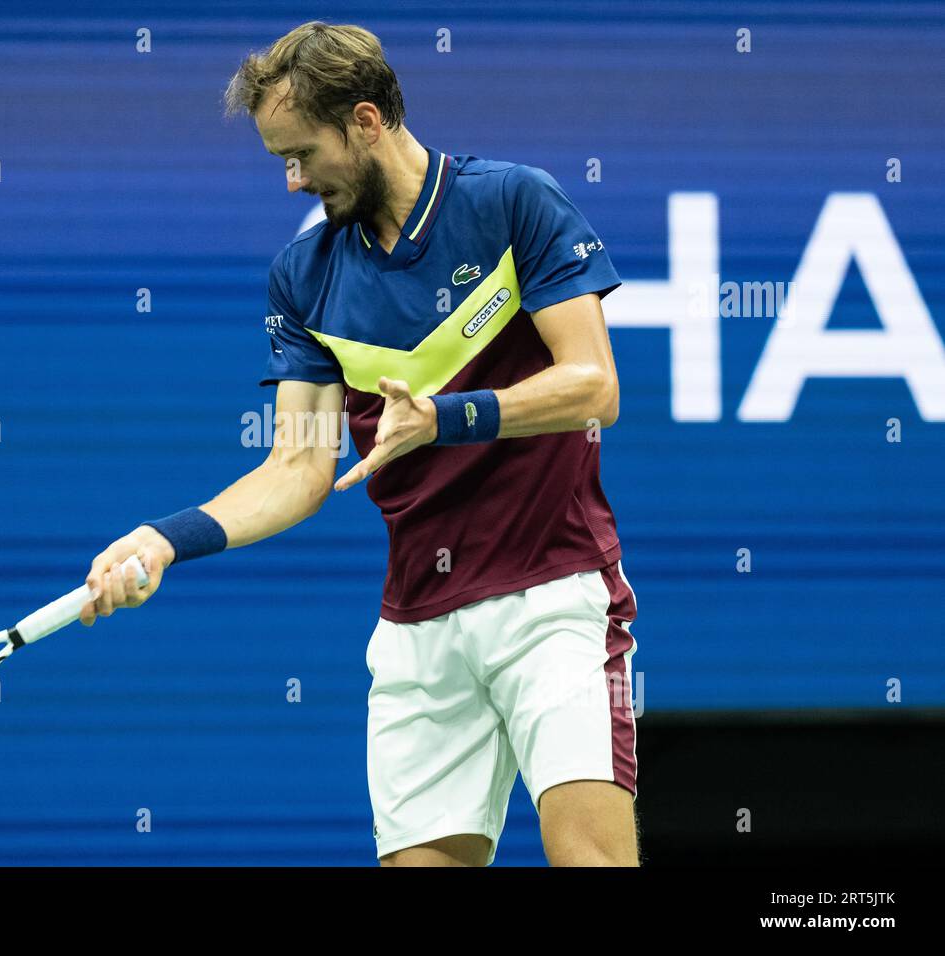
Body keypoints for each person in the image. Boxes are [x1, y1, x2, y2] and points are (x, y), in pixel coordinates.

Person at [78, 21, 640, 867]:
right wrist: (165, 539)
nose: (294, 180)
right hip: (418, 627)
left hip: (552, 595)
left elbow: (595, 384)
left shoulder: (512, 202)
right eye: (281, 162)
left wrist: (451, 417)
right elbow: (298, 468)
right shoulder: (303, 277)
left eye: (302, 155)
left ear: (367, 120)